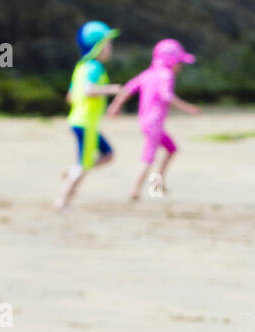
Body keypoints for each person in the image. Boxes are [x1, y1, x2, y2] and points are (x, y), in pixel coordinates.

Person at [106, 39, 201, 200]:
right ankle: (135, 191)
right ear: (171, 61)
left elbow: (128, 89)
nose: (181, 66)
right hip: (154, 122)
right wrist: (188, 108)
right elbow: (167, 96)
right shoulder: (166, 74)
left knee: (171, 149)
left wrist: (114, 106)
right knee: (148, 157)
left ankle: (158, 183)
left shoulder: (148, 73)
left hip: (146, 121)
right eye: (179, 62)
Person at [53, 20, 121, 211]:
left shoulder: (81, 67)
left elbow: (69, 97)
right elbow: (88, 90)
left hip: (78, 121)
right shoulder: (94, 68)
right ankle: (62, 201)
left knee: (108, 154)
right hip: (85, 123)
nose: (110, 48)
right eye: (107, 43)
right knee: (83, 164)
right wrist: (112, 89)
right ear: (97, 46)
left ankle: (71, 173)